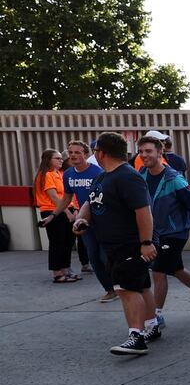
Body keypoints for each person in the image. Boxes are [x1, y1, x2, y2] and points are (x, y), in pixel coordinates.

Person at [72, 131, 159, 355]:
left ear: (102, 153)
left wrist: (146, 242)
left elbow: (144, 212)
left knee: (126, 289)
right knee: (141, 286)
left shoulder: (128, 177)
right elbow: (90, 202)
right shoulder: (102, 177)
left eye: (94, 151)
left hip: (129, 243)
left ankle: (136, 337)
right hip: (112, 244)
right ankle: (151, 326)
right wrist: (82, 219)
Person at [136, 135, 190, 324]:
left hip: (174, 233)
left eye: (148, 151)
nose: (144, 155)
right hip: (154, 233)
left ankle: (156, 316)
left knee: (158, 271)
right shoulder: (142, 174)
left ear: (160, 152)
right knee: (176, 268)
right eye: (141, 151)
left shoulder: (174, 179)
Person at [63, 140, 114, 298]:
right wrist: (53, 215)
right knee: (93, 257)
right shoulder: (68, 174)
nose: (73, 155)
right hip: (84, 221)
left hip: (102, 220)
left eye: (77, 152)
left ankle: (120, 285)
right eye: (71, 152)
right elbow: (66, 198)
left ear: (86, 154)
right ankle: (109, 290)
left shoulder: (98, 172)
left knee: (105, 257)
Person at [34, 148, 79, 283]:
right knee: (57, 242)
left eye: (61, 158)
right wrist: (67, 212)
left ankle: (65, 269)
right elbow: (54, 197)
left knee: (68, 242)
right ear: (48, 160)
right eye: (57, 158)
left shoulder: (59, 173)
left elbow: (68, 194)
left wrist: (74, 209)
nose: (61, 161)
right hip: (53, 211)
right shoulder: (46, 175)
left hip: (66, 210)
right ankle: (57, 272)